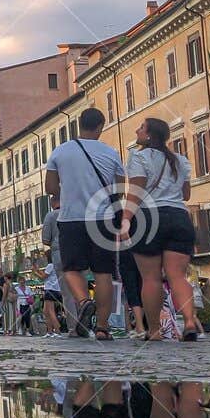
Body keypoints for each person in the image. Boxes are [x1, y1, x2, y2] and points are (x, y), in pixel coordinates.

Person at [43, 107, 125, 341]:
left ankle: (83, 301)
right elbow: (120, 188)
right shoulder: (111, 153)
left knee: (71, 269)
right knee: (103, 273)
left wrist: (69, 189)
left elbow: (50, 188)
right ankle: (102, 327)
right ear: (100, 126)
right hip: (102, 219)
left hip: (71, 218)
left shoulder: (60, 152)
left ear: (79, 125)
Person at [120, 115, 201, 342]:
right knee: (178, 276)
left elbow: (135, 192)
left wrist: (125, 220)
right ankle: (190, 321)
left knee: (151, 278)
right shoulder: (180, 160)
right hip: (178, 217)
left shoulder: (138, 156)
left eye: (141, 128)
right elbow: (186, 195)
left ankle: (154, 331)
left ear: (148, 135)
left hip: (149, 217)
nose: (137, 131)